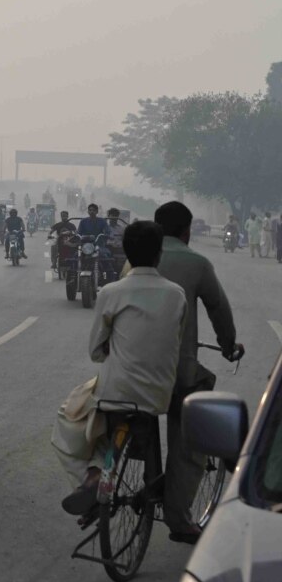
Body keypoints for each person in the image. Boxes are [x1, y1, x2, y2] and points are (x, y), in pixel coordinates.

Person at [51, 221, 187, 516]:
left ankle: (90, 477)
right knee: (105, 417)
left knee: (69, 417)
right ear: (158, 254)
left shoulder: (112, 292)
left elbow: (95, 352)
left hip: (117, 392)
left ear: (125, 252)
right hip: (159, 394)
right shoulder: (177, 294)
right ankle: (104, 473)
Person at [152, 201, 242, 543]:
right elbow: (218, 307)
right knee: (191, 428)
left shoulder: (135, 262)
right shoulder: (196, 263)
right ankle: (178, 516)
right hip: (178, 372)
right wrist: (228, 344)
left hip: (131, 373)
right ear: (187, 231)